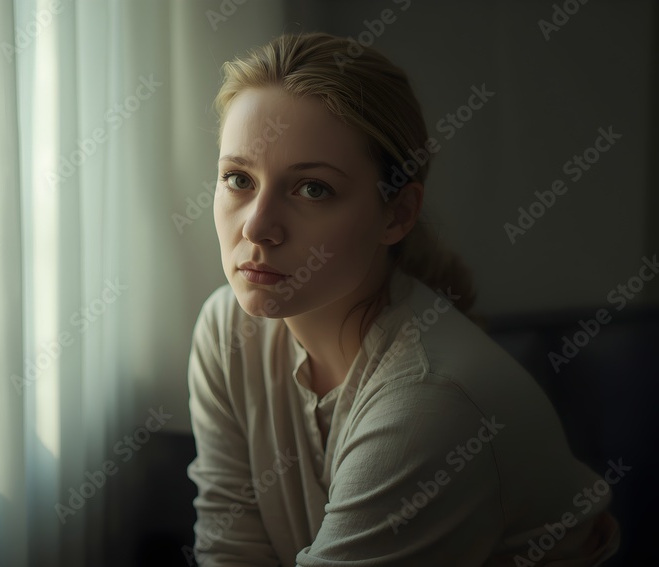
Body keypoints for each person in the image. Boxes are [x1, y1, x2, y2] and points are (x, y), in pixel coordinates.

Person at [185, 32, 621, 566]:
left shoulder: (431, 403)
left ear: (396, 214)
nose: (257, 226)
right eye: (238, 178)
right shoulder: (226, 329)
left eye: (312, 189)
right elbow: (229, 549)